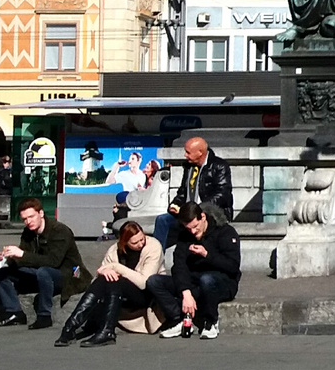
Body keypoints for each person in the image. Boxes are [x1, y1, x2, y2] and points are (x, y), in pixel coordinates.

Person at [54, 221, 163, 347]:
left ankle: (105, 331)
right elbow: (98, 281)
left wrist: (115, 267)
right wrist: (104, 272)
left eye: (142, 239)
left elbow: (145, 282)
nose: (140, 244)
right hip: (121, 293)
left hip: (148, 295)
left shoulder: (153, 246)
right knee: (106, 279)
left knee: (114, 279)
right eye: (134, 243)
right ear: (124, 242)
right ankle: (70, 327)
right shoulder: (114, 251)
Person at [146, 202, 241, 339]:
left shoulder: (225, 232)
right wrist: (186, 292)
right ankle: (179, 319)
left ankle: (210, 321)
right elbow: (179, 265)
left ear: (203, 217)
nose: (193, 232)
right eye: (188, 228)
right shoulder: (185, 235)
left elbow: (232, 266)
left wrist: (207, 255)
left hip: (221, 282)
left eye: (195, 226)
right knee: (154, 281)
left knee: (206, 280)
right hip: (194, 281)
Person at [0, 198, 89, 329]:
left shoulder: (60, 231)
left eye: (31, 217)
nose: (28, 222)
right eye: (24, 219)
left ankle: (44, 316)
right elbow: (25, 257)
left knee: (44, 272)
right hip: (41, 273)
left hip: (69, 274)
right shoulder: (28, 232)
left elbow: (53, 261)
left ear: (41, 213)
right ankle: (15, 313)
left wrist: (21, 254)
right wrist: (10, 258)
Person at [154, 137, 233, 248]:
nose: (185, 155)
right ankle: (156, 253)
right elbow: (183, 191)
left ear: (200, 152)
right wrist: (175, 204)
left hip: (210, 212)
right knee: (162, 220)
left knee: (197, 225)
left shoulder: (219, 166)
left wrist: (198, 208)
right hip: (188, 212)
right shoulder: (189, 167)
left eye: (188, 152)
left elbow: (223, 194)